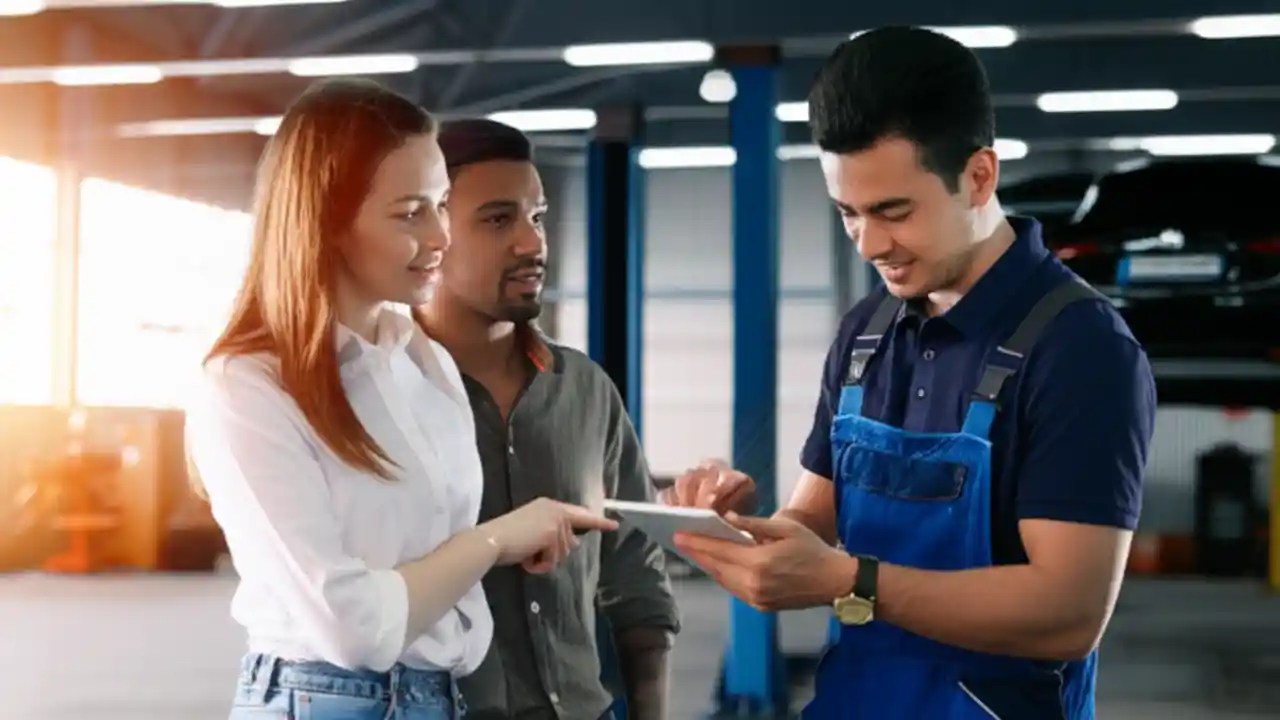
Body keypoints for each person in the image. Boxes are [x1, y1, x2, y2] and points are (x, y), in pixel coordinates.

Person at [662, 26, 1156, 720]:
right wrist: (738, 531)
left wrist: (852, 581)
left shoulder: (1080, 349)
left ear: (979, 176)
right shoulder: (866, 332)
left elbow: (1068, 614)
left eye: (894, 212)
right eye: (848, 214)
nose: (870, 244)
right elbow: (813, 521)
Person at [184, 79, 617, 720]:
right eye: (411, 213)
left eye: (441, 205)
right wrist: (496, 540)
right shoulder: (247, 385)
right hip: (326, 701)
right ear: (327, 221)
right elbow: (354, 630)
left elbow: (434, 567)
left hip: (439, 698)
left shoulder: (422, 361)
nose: (442, 235)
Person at [416, 117, 680, 720]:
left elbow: (636, 576)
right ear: (430, 230)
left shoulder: (583, 389)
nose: (531, 244)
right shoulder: (386, 392)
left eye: (537, 218)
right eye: (497, 219)